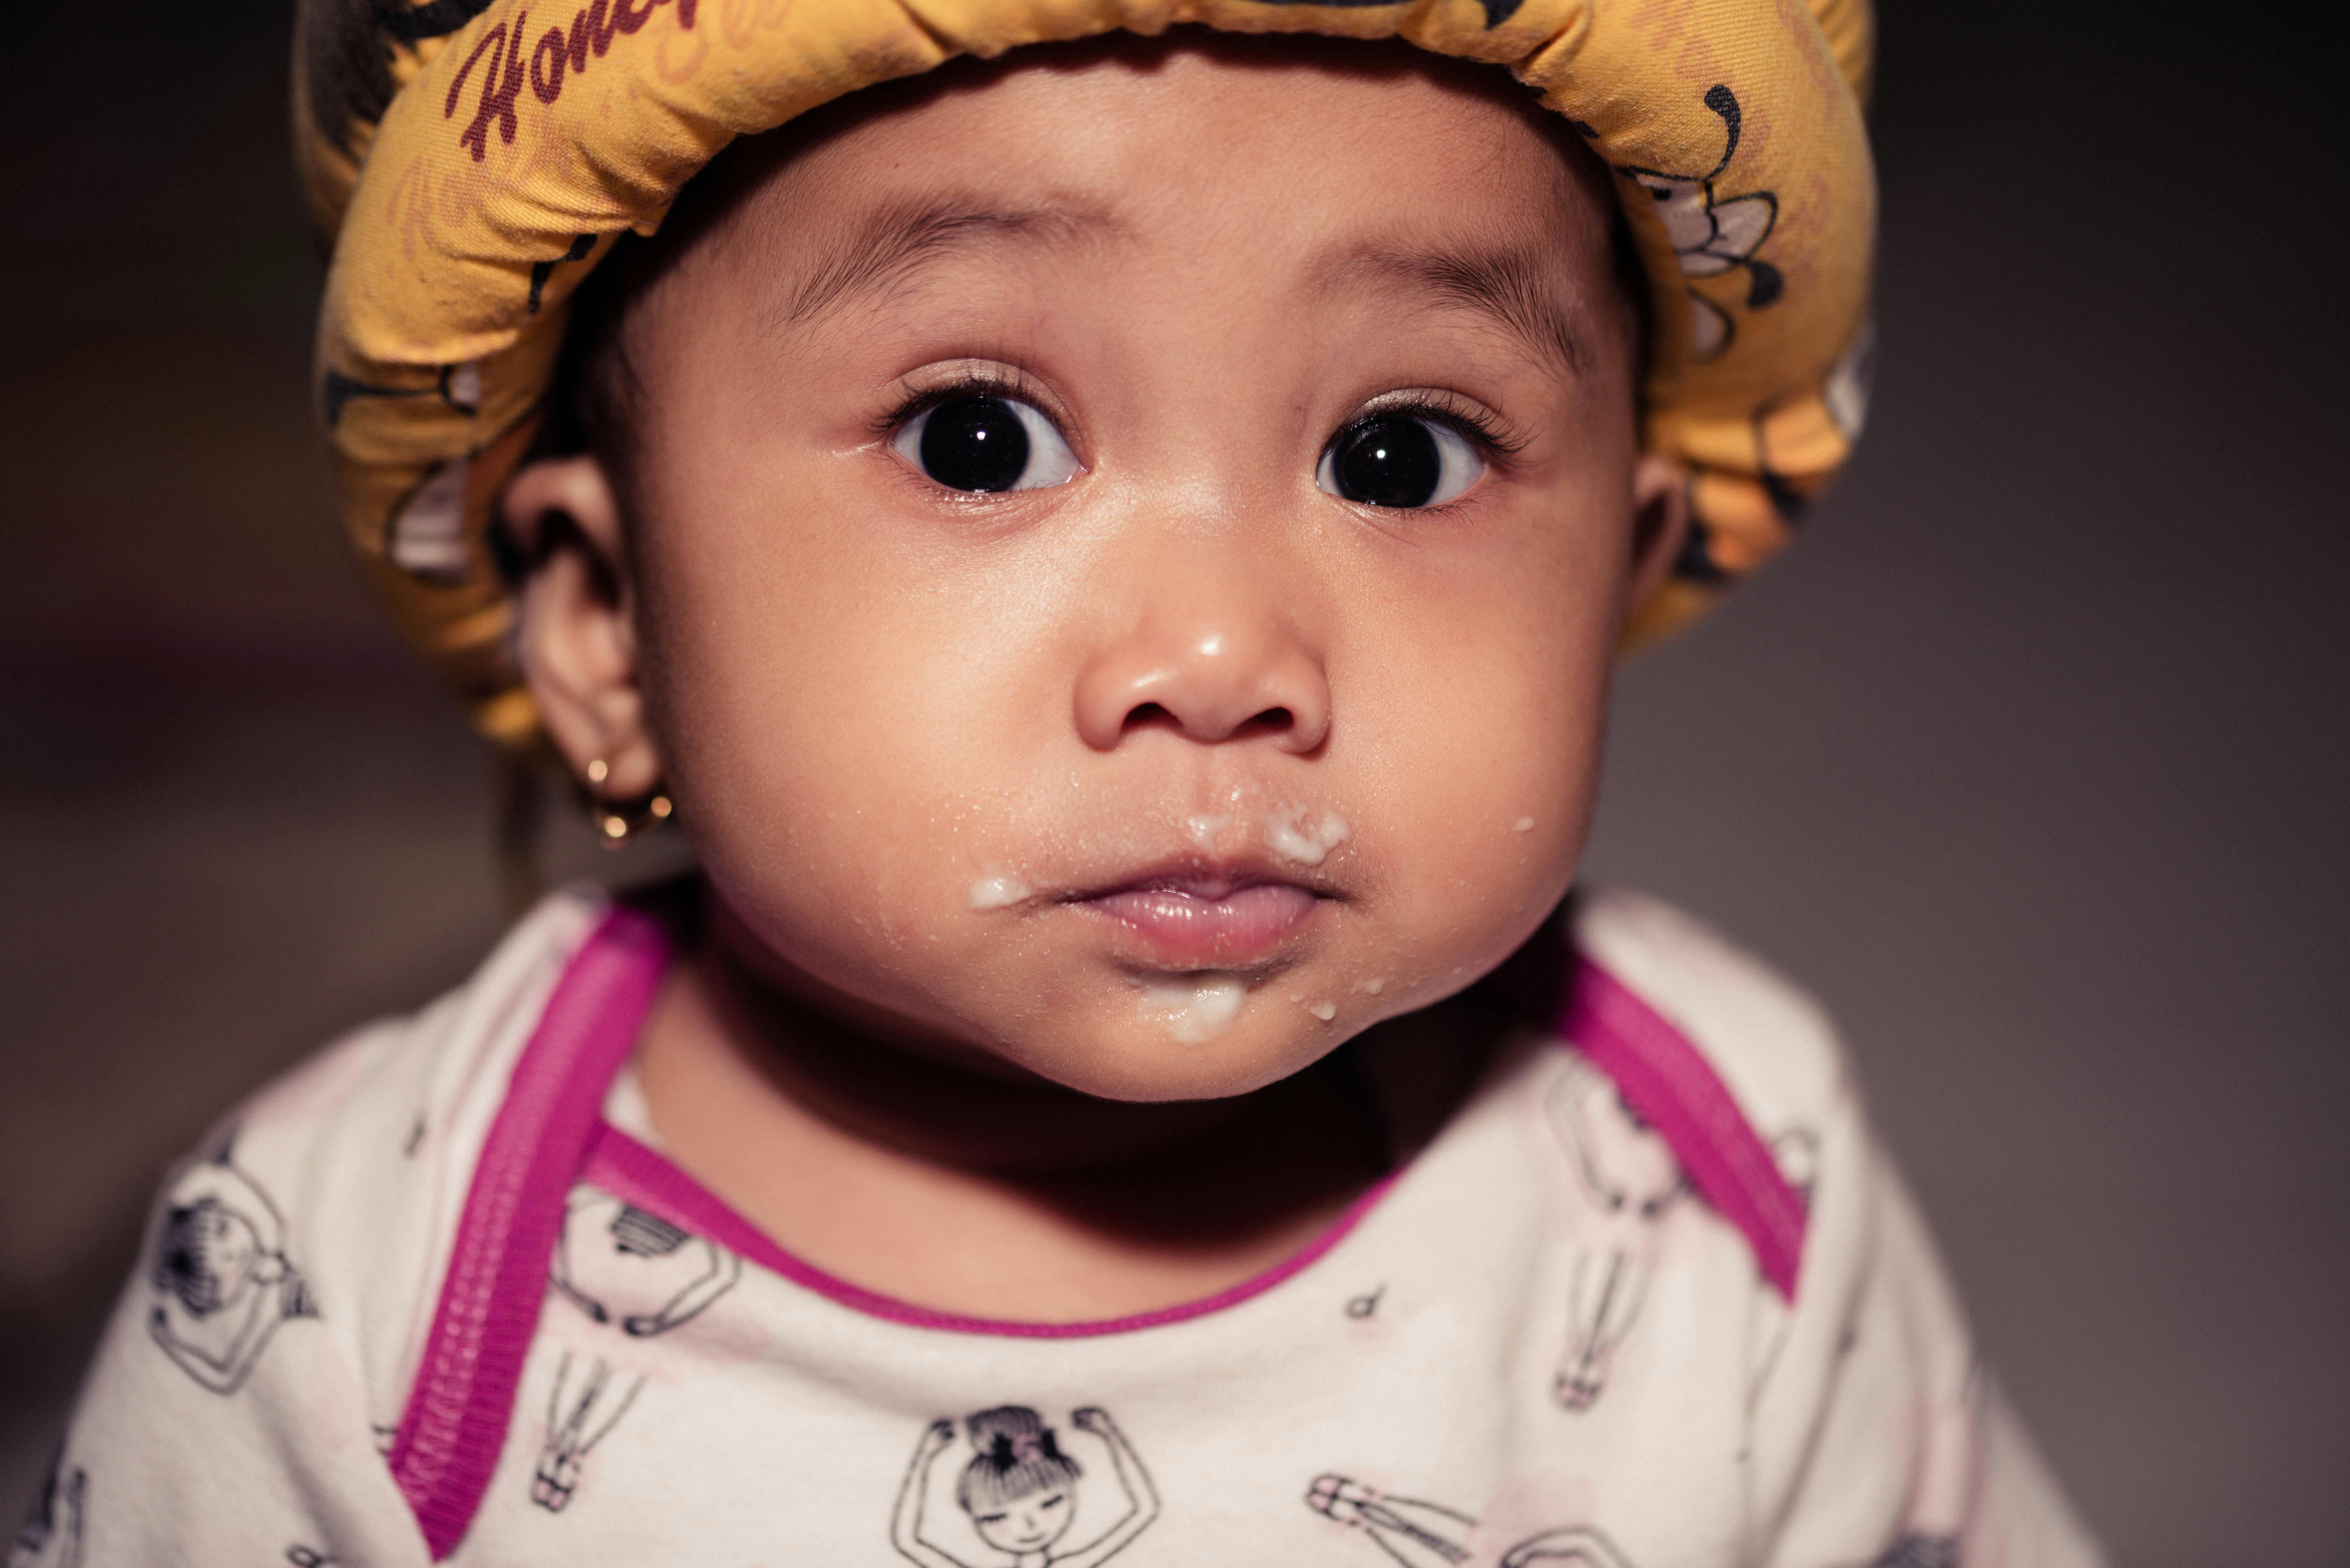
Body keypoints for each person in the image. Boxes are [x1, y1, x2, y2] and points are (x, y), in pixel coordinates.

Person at [36, 0, 2103, 1562]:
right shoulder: (345, 1299)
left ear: (1624, 563)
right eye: (976, 440)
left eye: (1401, 456)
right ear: (605, 620)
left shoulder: (1720, 1189)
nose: (1219, 659)